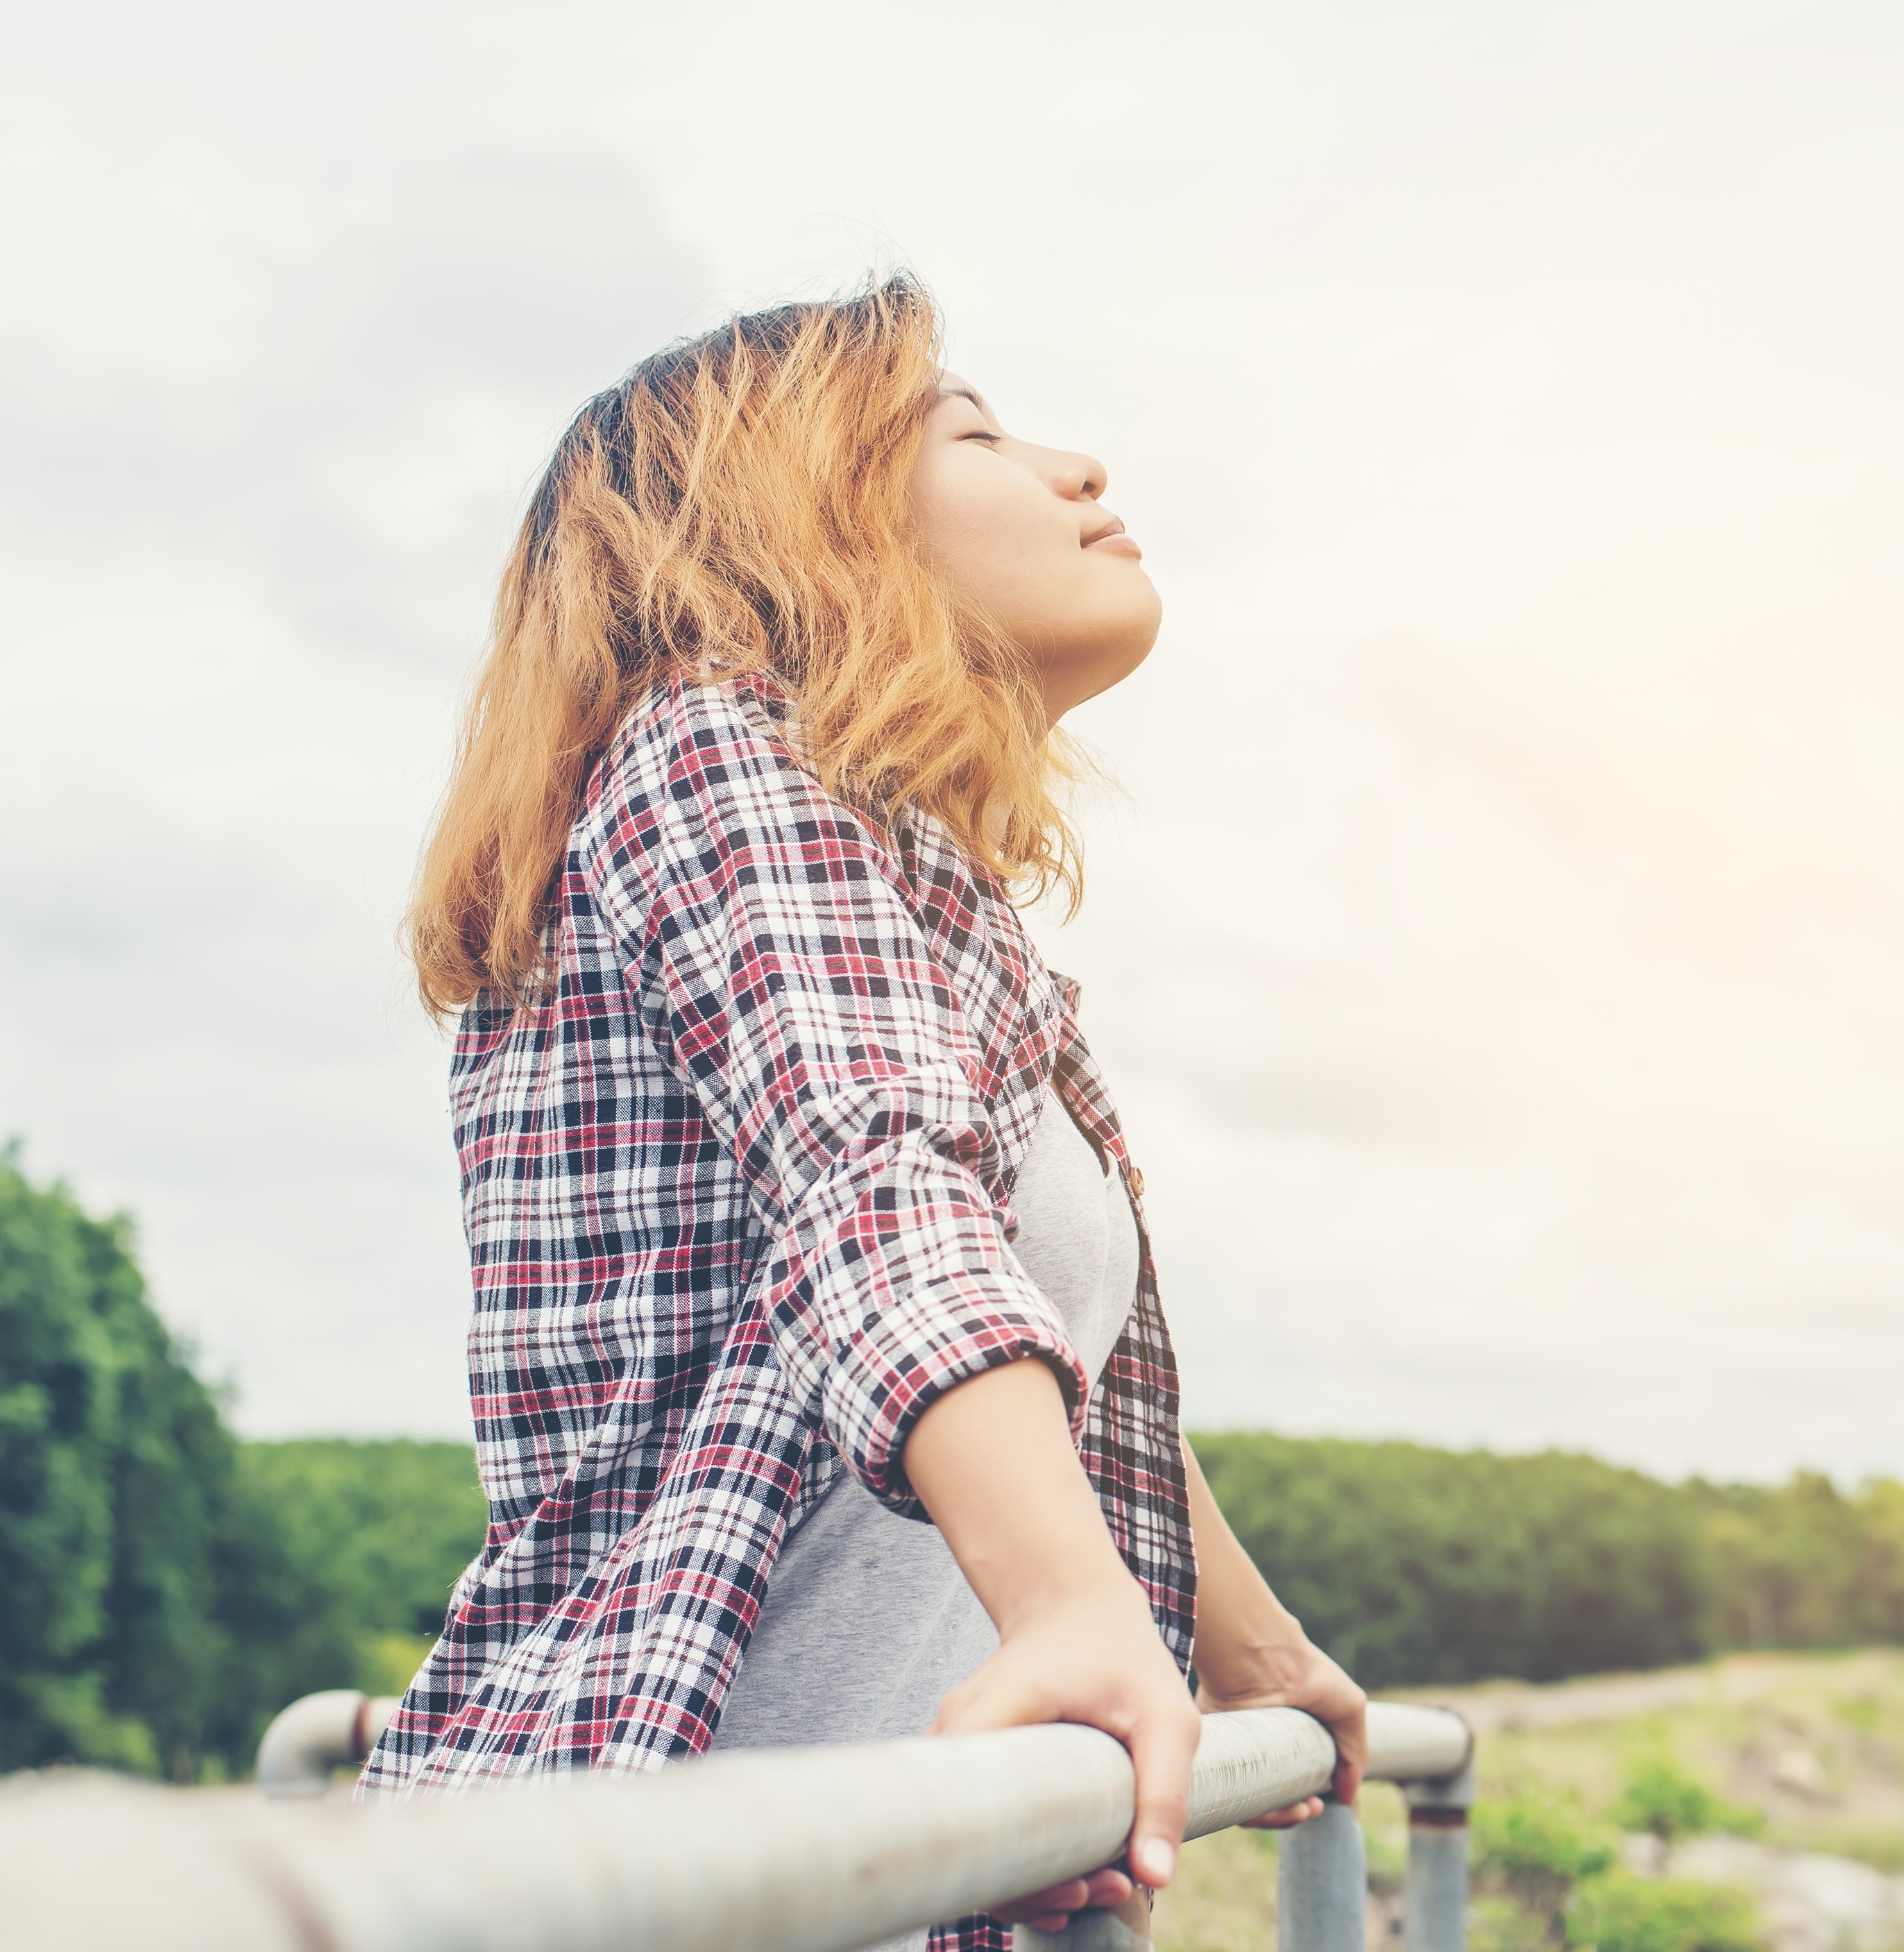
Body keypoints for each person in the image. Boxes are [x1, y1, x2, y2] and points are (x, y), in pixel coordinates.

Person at [375, 278, 1364, 1951]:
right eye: (971, 430)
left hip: (858, 1876)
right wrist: (1064, 1604)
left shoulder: (926, 892)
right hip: (650, 1847)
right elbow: (873, 1185)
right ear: (799, 518)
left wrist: (1246, 1646)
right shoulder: (706, 748)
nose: (1078, 467)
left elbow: (1045, 1343)